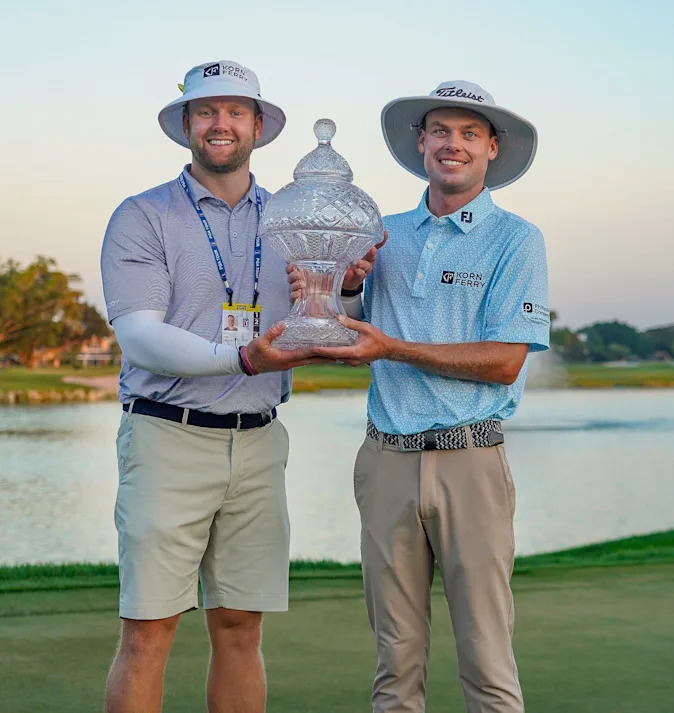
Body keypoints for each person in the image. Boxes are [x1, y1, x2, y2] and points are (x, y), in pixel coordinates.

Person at [316, 80, 550, 712]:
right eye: (441, 131)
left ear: (491, 148)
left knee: (487, 663)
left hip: (469, 462)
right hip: (385, 460)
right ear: (420, 142)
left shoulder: (515, 239)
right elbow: (344, 332)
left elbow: (504, 362)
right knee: (395, 666)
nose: (454, 144)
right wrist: (343, 287)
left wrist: (391, 347)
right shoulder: (381, 233)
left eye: (469, 133)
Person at [99, 60, 317, 713]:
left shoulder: (292, 219)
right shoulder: (143, 216)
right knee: (148, 633)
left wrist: (349, 287)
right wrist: (241, 359)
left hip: (259, 444)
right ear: (188, 125)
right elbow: (139, 334)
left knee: (241, 630)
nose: (220, 124)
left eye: (234, 112)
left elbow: (330, 317)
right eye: (206, 112)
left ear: (257, 125)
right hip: (169, 434)